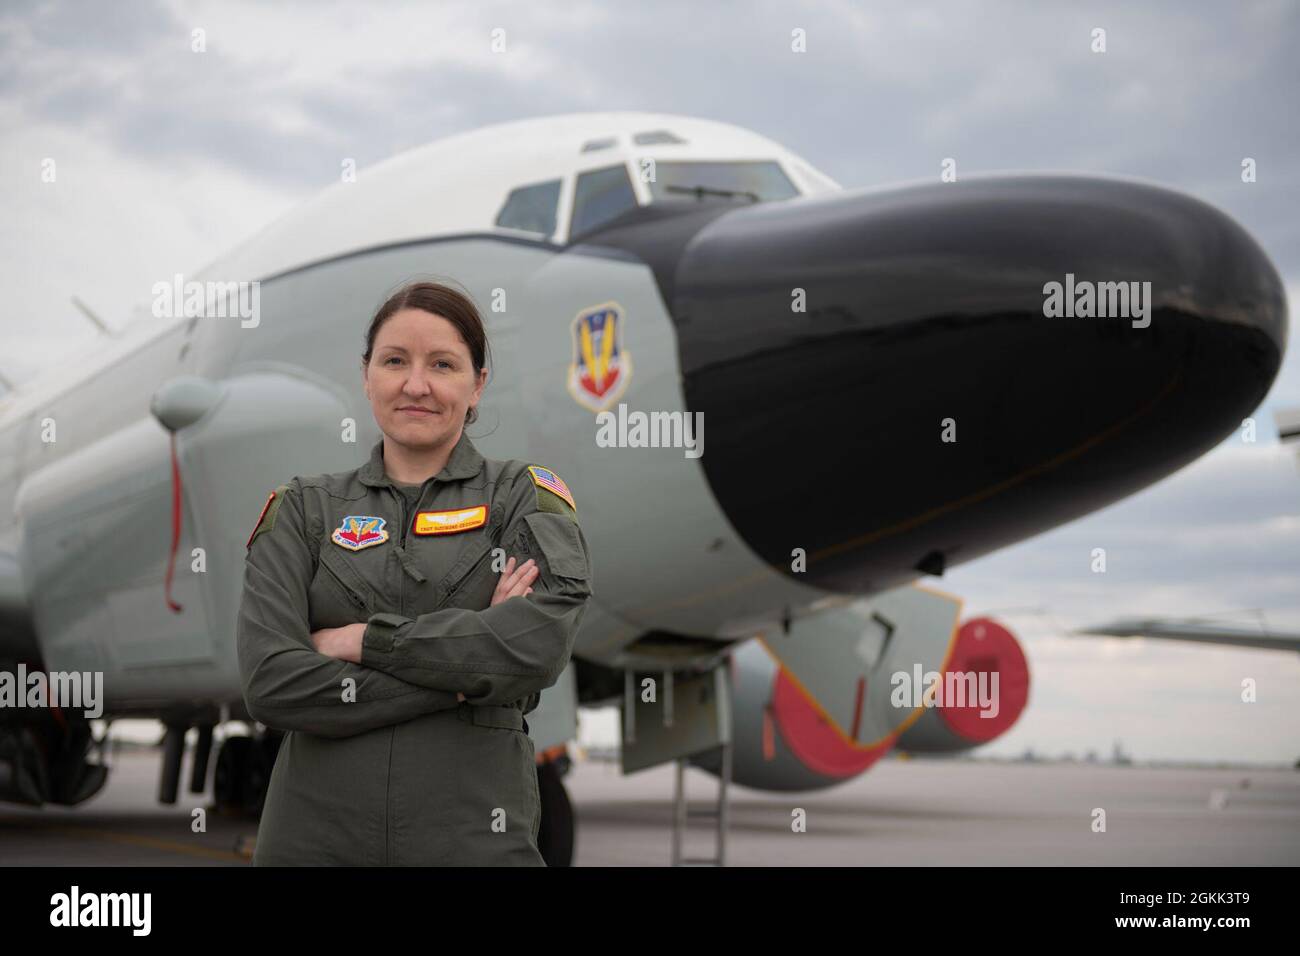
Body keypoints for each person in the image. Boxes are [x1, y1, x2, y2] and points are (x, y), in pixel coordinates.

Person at [236, 280, 592, 865]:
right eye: (395, 360)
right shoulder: (301, 509)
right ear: (366, 375)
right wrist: (466, 675)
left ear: (477, 384)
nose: (416, 384)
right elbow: (272, 683)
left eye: (443, 364)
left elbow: (535, 648)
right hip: (313, 842)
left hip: (472, 840)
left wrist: (364, 641)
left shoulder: (523, 498)